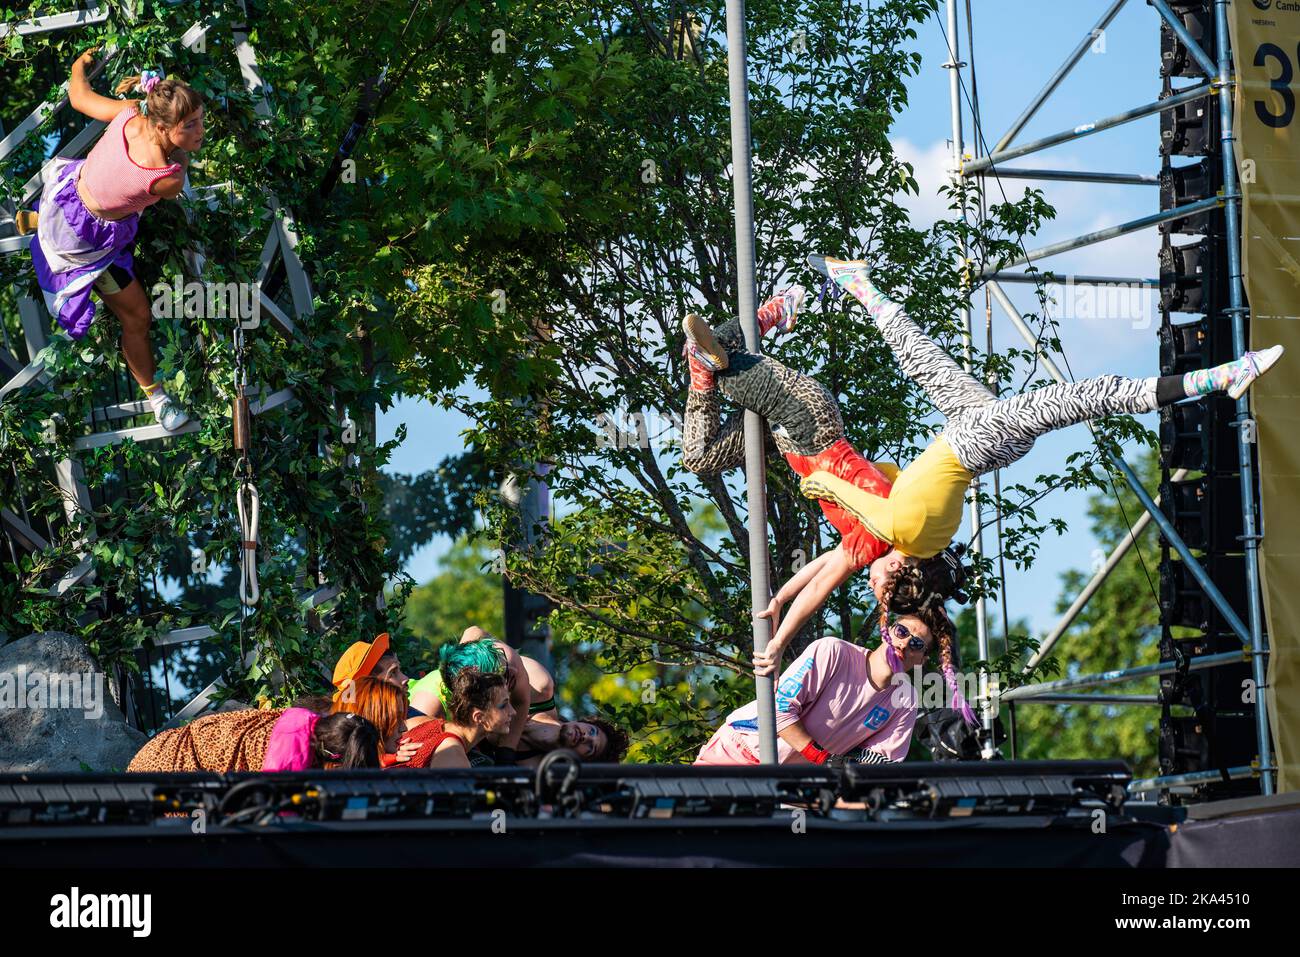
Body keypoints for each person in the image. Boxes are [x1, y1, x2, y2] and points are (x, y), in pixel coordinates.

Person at [787, 254, 1284, 610]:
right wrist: (821, 484)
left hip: (971, 431)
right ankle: (1216, 379)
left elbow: (893, 476)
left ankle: (857, 283)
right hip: (981, 437)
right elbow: (862, 500)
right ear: (896, 571)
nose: (867, 574)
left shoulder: (917, 533)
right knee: (1089, 396)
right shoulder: (901, 530)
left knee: (917, 355)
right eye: (874, 582)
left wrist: (780, 598)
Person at [679, 287, 965, 678]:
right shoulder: (881, 534)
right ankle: (778, 308)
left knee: (701, 456)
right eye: (880, 589)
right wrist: (778, 643)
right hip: (804, 418)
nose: (871, 585)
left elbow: (820, 567)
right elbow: (822, 588)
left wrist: (780, 597)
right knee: (717, 364)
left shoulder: (879, 540)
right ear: (898, 570)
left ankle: (710, 359)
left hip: (783, 434)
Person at [26, 50, 204, 430]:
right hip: (84, 245)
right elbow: (175, 166)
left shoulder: (130, 114)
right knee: (137, 316)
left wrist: (78, 66)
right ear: (163, 127)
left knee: (109, 213)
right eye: (190, 125)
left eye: (201, 121)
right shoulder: (169, 177)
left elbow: (79, 97)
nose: (200, 132)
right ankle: (157, 398)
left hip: (64, 197)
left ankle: (41, 222)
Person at [695, 606, 955, 765]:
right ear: (886, 629)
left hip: (791, 789)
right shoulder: (833, 651)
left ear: (922, 659)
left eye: (917, 644)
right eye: (902, 631)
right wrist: (824, 759)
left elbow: (882, 764)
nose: (904, 643)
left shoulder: (906, 700)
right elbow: (778, 709)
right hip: (738, 752)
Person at [126, 707, 382, 773]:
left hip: (154, 752)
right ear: (335, 759)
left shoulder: (302, 718)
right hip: (167, 779)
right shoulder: (289, 762)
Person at [408, 627, 531, 762]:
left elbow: (474, 631)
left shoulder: (471, 668)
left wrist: (506, 753)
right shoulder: (428, 704)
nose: (512, 672)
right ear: (474, 686)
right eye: (502, 674)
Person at [394, 656, 516, 769]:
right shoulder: (454, 758)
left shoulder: (421, 721)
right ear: (478, 717)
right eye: (503, 705)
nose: (513, 712)